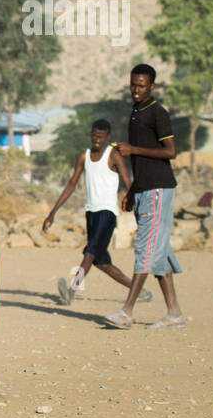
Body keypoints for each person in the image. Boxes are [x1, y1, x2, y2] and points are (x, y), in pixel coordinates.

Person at [105, 64, 185, 329]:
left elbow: (170, 151)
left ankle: (126, 311)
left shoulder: (157, 113)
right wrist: (131, 190)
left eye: (141, 86)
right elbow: (140, 160)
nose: (136, 90)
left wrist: (132, 149)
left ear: (152, 86)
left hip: (159, 189)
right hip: (144, 190)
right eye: (133, 85)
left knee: (146, 250)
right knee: (157, 252)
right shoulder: (136, 113)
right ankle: (174, 313)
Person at [43, 119, 151, 305]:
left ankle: (71, 291)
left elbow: (128, 181)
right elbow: (71, 184)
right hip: (91, 212)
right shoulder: (83, 156)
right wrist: (53, 212)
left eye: (101, 137)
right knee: (102, 262)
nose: (97, 140)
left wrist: (135, 203)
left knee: (90, 251)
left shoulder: (113, 155)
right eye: (94, 136)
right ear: (90, 134)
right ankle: (139, 290)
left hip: (107, 212)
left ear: (108, 137)